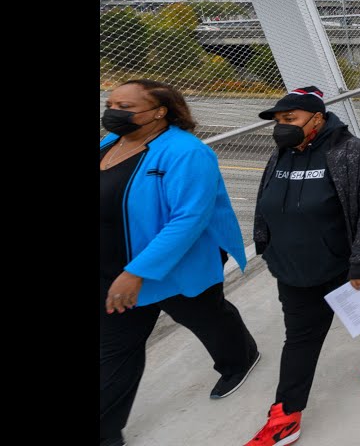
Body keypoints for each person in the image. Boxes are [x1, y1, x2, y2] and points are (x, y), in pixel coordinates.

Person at [100, 80, 259, 446]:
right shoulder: (109, 144)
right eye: (111, 103)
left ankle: (241, 358)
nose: (114, 111)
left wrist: (136, 272)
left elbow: (189, 218)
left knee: (207, 317)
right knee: (115, 350)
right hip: (114, 269)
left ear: (159, 111)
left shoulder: (186, 152)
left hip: (172, 265)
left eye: (125, 105)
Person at [245, 87, 360, 446]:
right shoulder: (281, 155)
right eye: (279, 121)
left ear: (317, 118)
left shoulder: (351, 153)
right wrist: (265, 243)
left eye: (291, 119)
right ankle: (286, 416)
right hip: (292, 269)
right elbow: (265, 200)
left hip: (342, 264)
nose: (282, 127)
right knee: (299, 338)